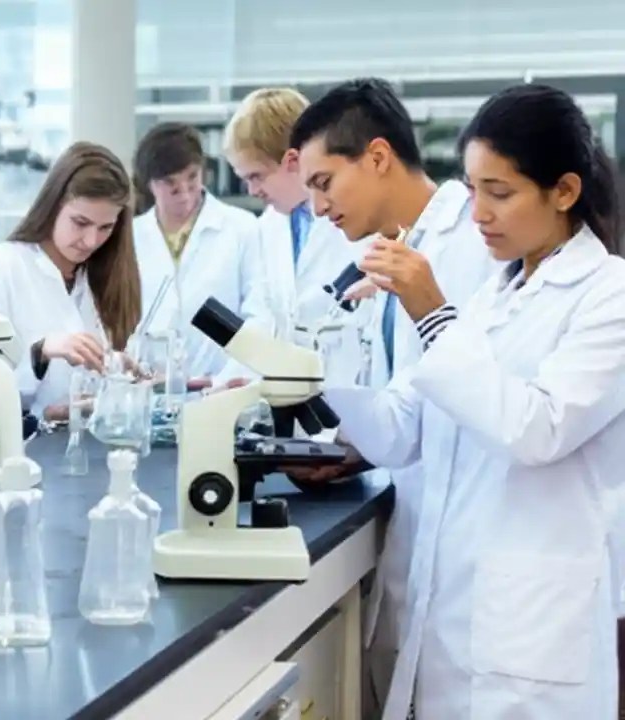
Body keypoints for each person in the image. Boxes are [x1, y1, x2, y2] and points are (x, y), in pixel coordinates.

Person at [325, 83, 623, 719]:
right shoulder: (493, 295)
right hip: (448, 619)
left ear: (564, 192)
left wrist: (433, 314)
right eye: (472, 189)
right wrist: (311, 371)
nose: (479, 212)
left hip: (530, 637)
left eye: (501, 192)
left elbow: (537, 429)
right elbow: (402, 433)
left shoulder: (609, 295)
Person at [287, 77, 499, 710]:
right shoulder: (400, 251)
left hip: (473, 561)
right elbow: (414, 409)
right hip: (416, 527)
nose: (319, 209)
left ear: (377, 156)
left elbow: (466, 404)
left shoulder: (470, 247)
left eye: (325, 183)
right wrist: (356, 450)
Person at [0, 142, 141, 421]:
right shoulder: (0, 268)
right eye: (80, 222)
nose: (91, 241)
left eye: (105, 228)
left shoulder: (100, 275)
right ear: (53, 205)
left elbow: (84, 383)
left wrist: (116, 372)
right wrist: (41, 352)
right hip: (21, 451)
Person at [224, 87, 368, 381]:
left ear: (293, 161)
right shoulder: (268, 226)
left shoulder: (352, 217)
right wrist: (231, 378)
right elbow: (263, 315)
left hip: (344, 386)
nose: (253, 191)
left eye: (257, 176)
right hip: (290, 394)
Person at [132, 122, 271, 385]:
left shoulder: (242, 227)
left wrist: (227, 377)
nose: (184, 193)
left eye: (192, 178)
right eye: (170, 185)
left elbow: (259, 312)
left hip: (222, 387)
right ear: (149, 184)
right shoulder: (131, 238)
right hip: (150, 391)